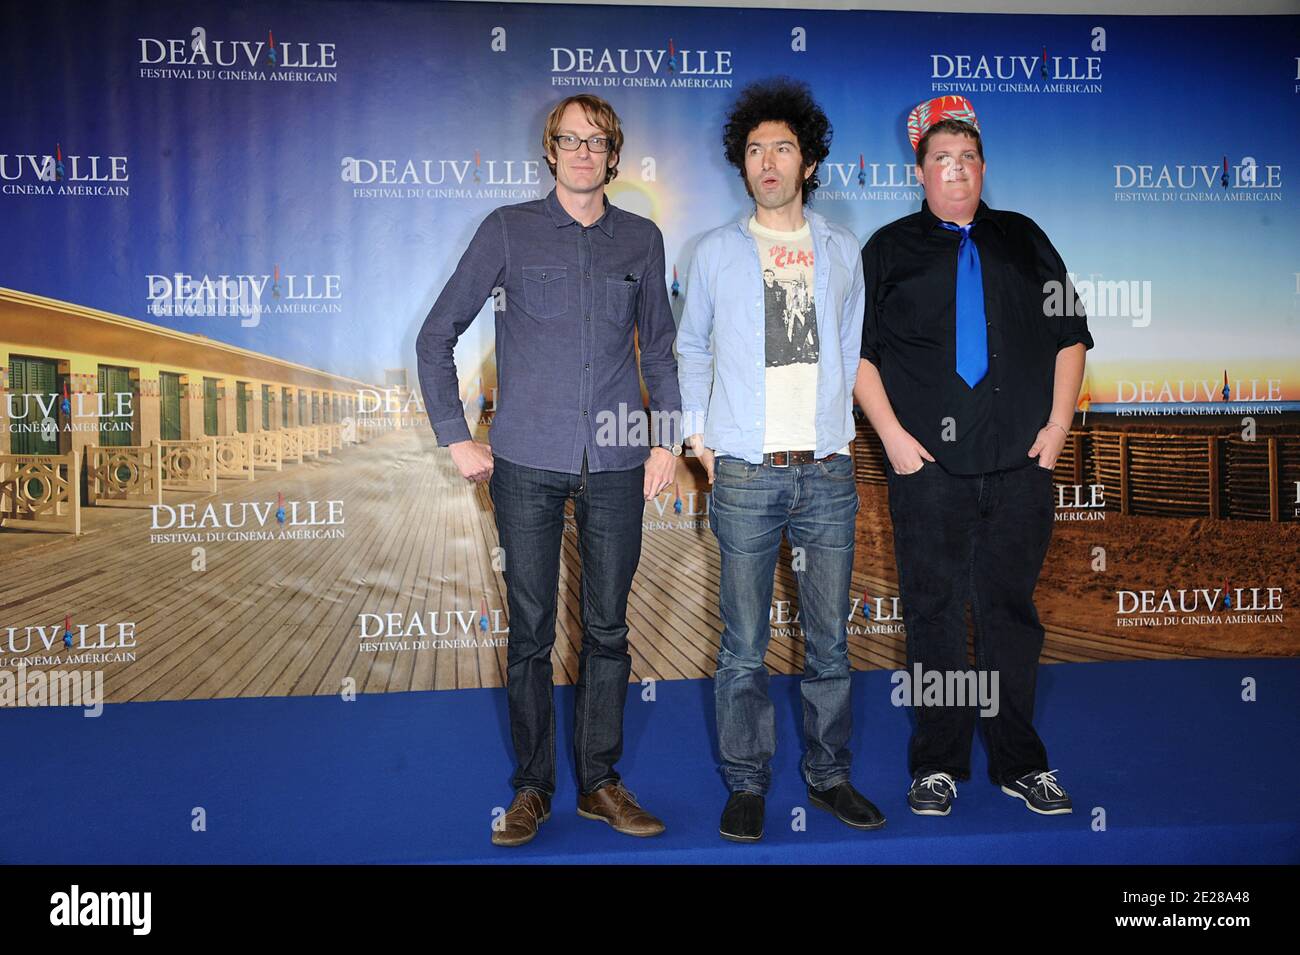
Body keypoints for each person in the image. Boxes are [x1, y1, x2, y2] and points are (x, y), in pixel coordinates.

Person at [416, 93, 683, 846]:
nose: (581, 152)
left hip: (618, 458)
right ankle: (532, 787)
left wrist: (666, 438)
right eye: (568, 140)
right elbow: (437, 335)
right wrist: (455, 435)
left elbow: (658, 347)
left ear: (613, 155)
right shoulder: (506, 229)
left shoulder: (642, 239)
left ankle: (600, 782)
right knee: (531, 631)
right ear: (549, 150)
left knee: (607, 627)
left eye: (595, 141)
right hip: (525, 461)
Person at [853, 95, 1092, 817]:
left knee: (1010, 614)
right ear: (919, 171)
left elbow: (1070, 336)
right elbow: (858, 356)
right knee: (931, 613)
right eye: (940, 160)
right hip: (928, 472)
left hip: (1020, 465)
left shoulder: (1026, 238)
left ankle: (1022, 762)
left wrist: (1058, 427)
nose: (954, 171)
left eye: (966, 159)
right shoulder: (887, 250)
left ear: (982, 167)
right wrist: (893, 437)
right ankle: (937, 764)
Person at [677, 77, 885, 843]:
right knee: (743, 644)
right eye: (755, 150)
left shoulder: (840, 249)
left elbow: (851, 342)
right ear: (742, 163)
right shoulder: (714, 253)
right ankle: (746, 780)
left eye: (783, 148)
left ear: (808, 161)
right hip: (745, 474)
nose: (769, 161)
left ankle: (829, 775)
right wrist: (698, 435)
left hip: (828, 470)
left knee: (829, 640)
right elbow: (690, 344)